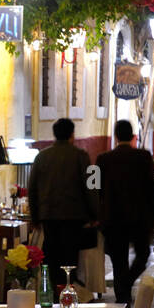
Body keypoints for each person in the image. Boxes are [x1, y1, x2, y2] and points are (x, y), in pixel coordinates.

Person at [96, 120, 154, 306]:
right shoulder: (144, 156)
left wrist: (96, 214)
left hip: (112, 218)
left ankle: (122, 295)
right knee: (142, 256)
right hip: (139, 218)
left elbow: (93, 187)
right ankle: (127, 284)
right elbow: (152, 187)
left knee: (119, 262)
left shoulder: (102, 159)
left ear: (116, 136)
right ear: (132, 135)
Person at [28, 118, 99, 290]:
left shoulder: (41, 157)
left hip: (49, 217)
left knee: (51, 256)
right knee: (69, 259)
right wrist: (95, 214)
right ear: (72, 134)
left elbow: (32, 188)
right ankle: (66, 292)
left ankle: (52, 292)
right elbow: (92, 187)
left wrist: (35, 217)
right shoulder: (82, 156)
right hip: (74, 218)